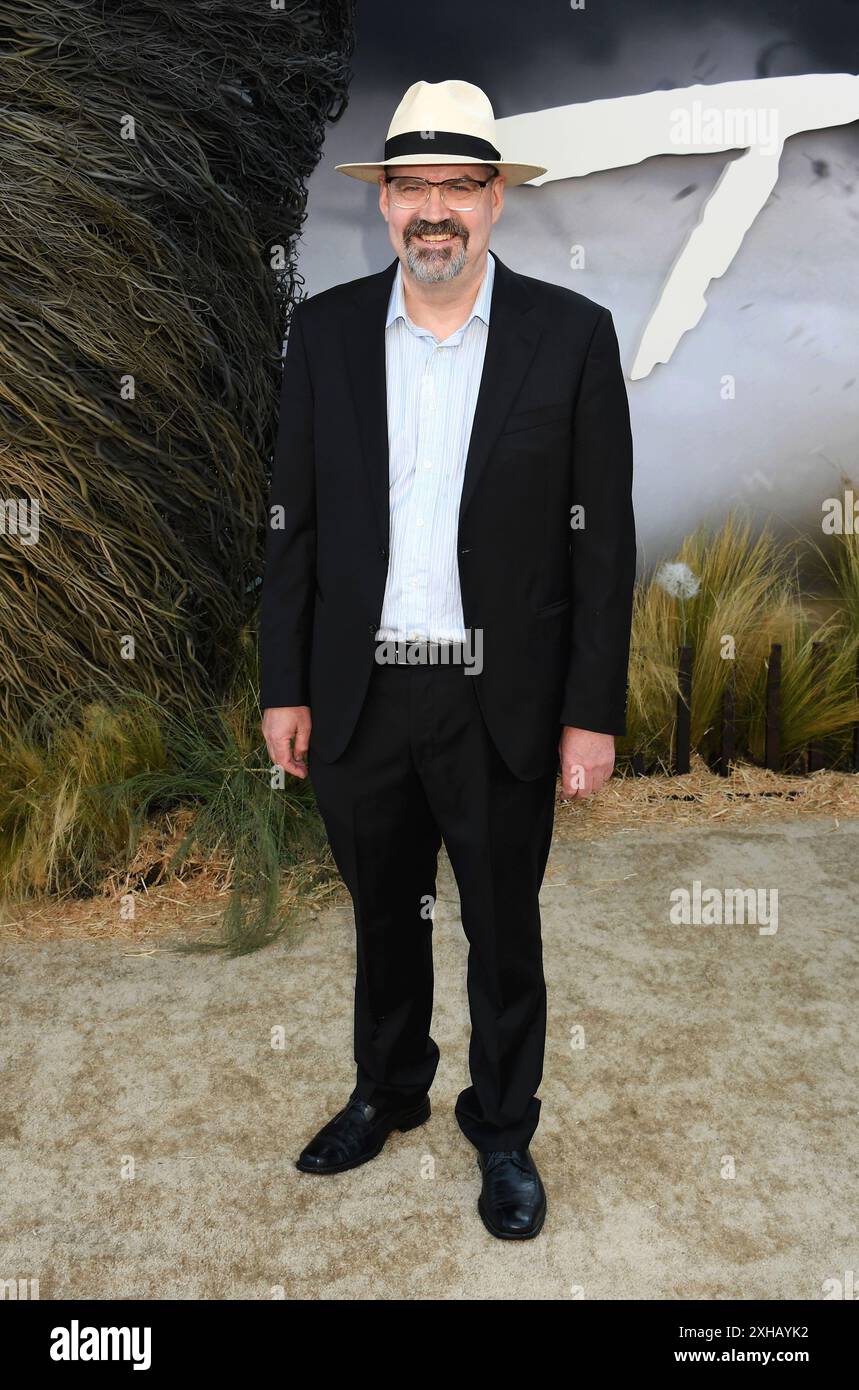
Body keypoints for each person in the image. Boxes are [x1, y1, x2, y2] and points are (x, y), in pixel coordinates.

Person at [259, 78, 636, 1240]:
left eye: (457, 187)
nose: (434, 210)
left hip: (501, 699)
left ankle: (505, 1128)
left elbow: (603, 544)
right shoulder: (321, 337)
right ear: (382, 207)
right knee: (383, 915)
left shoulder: (570, 338)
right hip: (361, 693)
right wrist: (284, 683)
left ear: (494, 202)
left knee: (500, 926)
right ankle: (387, 1091)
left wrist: (590, 712)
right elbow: (293, 528)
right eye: (411, 186)